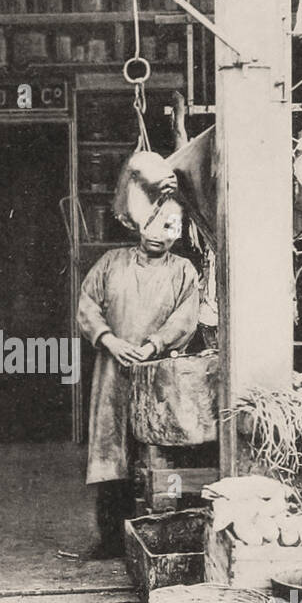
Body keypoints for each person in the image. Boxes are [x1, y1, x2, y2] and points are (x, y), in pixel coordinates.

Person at [77, 153, 200, 558]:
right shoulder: (110, 263)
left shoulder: (184, 271)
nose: (159, 232)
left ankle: (156, 540)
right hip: (113, 371)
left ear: (180, 230)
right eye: (152, 221)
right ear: (136, 221)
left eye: (170, 225)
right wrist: (109, 340)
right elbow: (87, 305)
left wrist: (152, 346)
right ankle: (110, 540)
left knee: (157, 456)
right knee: (112, 456)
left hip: (160, 376)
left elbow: (186, 318)